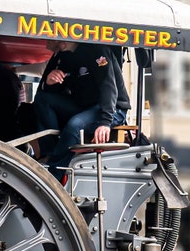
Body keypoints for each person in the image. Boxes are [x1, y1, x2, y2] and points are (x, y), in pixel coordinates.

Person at [33, 40, 128, 176]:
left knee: (75, 125)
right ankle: (49, 155)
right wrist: (50, 82)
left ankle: (52, 175)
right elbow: (57, 88)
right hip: (84, 106)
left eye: (52, 37)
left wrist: (105, 122)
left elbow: (108, 86)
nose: (48, 41)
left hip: (112, 109)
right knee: (43, 99)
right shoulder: (64, 55)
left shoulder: (98, 50)